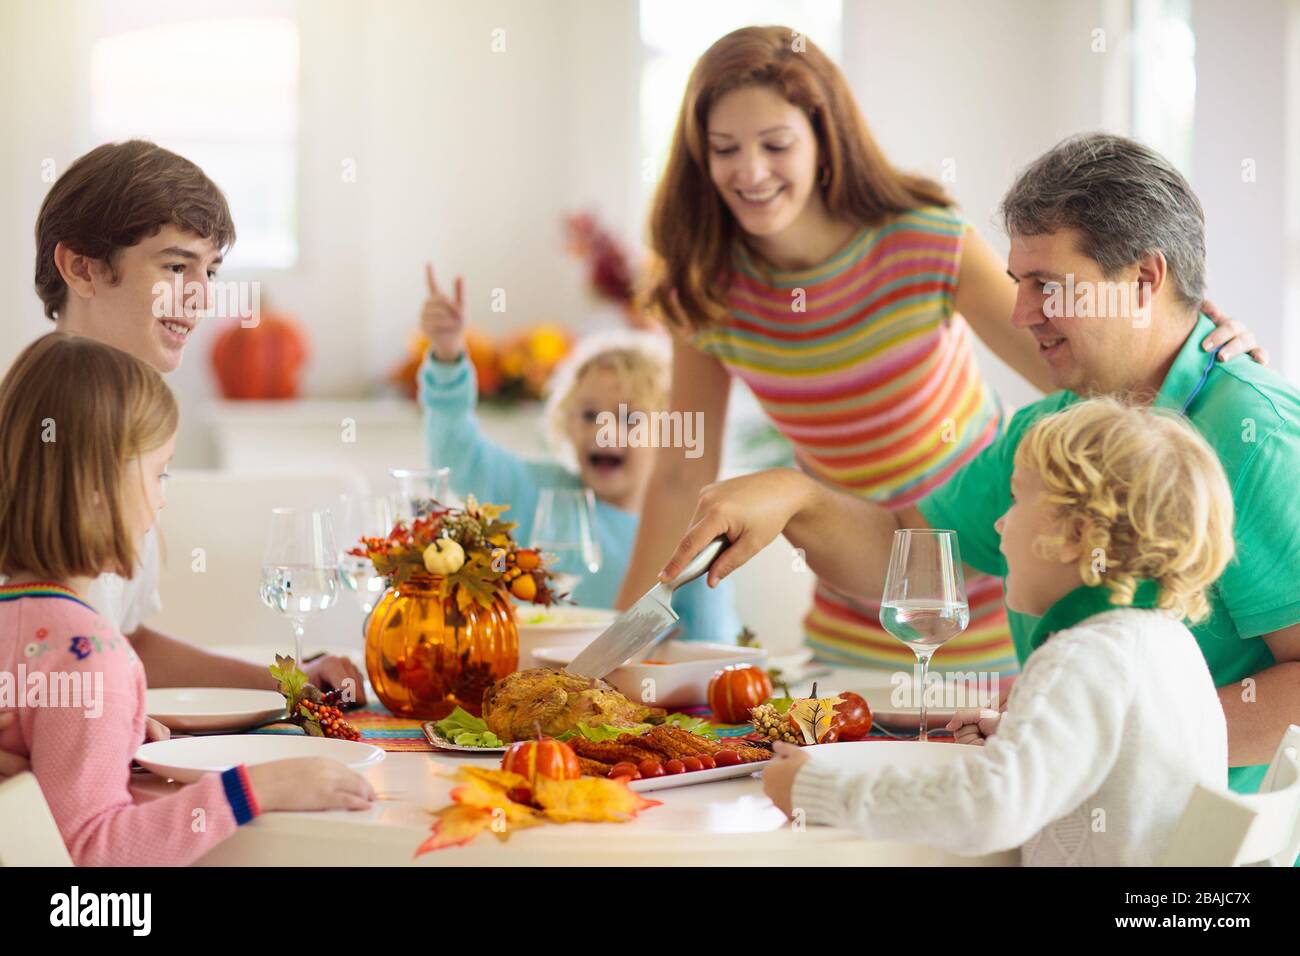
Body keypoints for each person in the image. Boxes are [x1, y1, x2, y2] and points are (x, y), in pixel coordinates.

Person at [663, 132, 1300, 794]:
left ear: (1143, 280)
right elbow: (908, 556)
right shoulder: (1051, 428)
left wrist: (1099, 740)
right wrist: (797, 500)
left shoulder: (1255, 434)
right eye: (1018, 284)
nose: (1022, 314)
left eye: (1047, 285)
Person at [615, 26, 1260, 678]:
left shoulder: (922, 243)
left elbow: (1093, 373)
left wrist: (1197, 351)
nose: (749, 171)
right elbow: (677, 476)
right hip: (853, 600)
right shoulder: (704, 287)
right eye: (724, 149)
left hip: (988, 596)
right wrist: (623, 642)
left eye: (775, 144)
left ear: (823, 141)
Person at [762, 397, 1234, 866]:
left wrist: (816, 791)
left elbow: (988, 810)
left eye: (1016, 498)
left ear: (1076, 536)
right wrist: (1020, 736)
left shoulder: (1079, 656)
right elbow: (1113, 767)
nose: (999, 523)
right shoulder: (1170, 642)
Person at [0, 334, 374, 865]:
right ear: (99, 487)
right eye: (159, 473)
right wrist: (255, 789)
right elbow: (92, 853)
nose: (163, 497)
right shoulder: (89, 651)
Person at [418, 265, 741, 641]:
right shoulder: (535, 491)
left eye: (629, 418)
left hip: (634, 691)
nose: (605, 431)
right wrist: (446, 355)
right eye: (590, 415)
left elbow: (712, 641)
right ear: (566, 423)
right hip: (531, 682)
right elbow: (455, 453)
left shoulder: (683, 532)